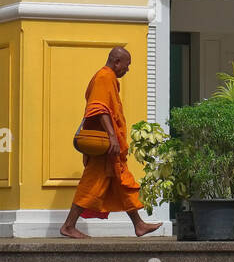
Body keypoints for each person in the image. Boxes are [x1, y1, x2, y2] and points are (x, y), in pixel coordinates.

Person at [60, 47, 162, 239]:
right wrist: (112, 136)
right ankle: (68, 226)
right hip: (104, 146)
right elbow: (99, 109)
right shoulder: (104, 77)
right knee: (91, 184)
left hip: (110, 149)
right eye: (127, 65)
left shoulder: (108, 79)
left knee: (122, 182)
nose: (128, 69)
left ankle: (138, 225)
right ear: (117, 62)